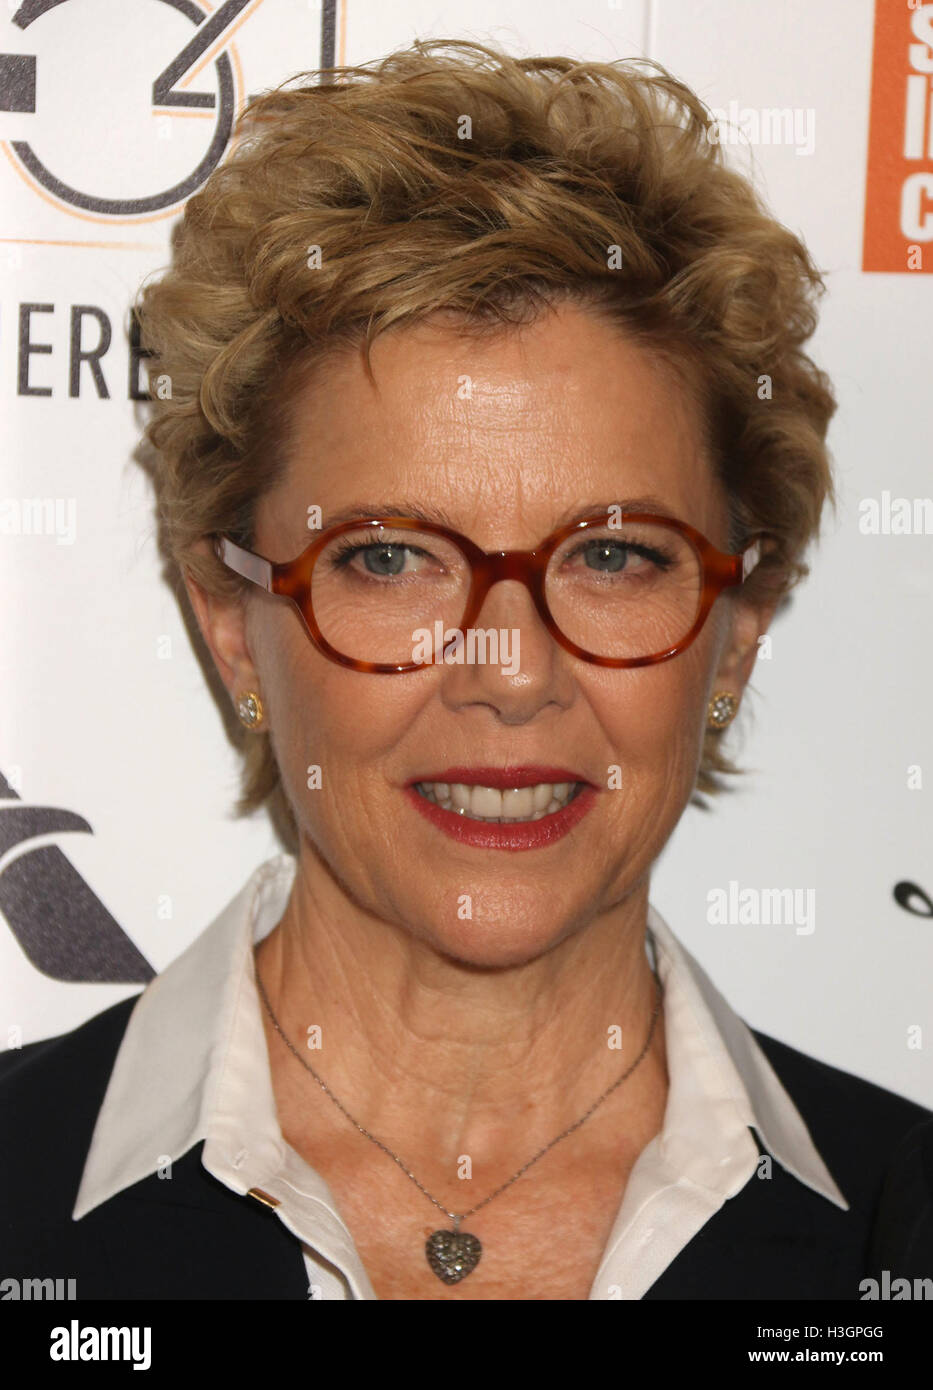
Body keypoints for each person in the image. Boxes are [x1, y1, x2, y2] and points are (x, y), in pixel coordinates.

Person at [2, 39, 929, 1301]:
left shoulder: (903, 1234)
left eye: (612, 552)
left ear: (740, 627)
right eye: (388, 557)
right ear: (230, 623)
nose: (509, 672)